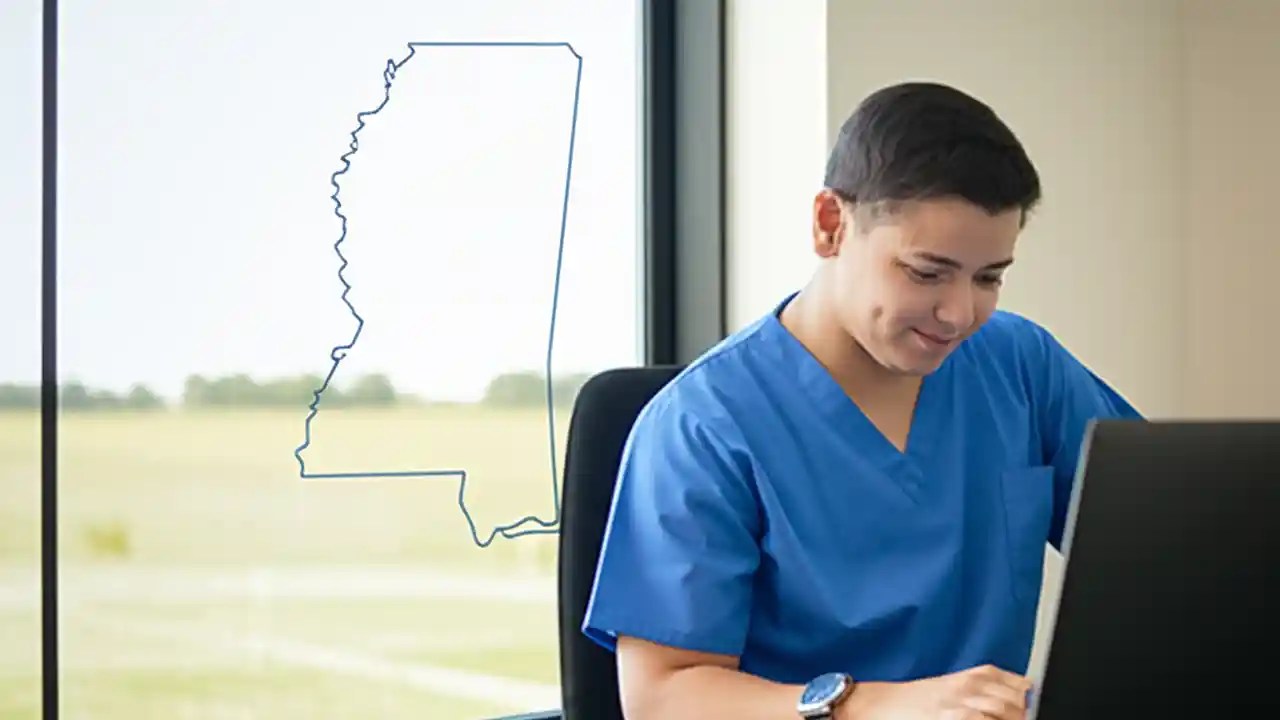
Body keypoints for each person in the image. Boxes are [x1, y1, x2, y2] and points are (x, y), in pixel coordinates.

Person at [581, 81, 1144, 720]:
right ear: (831, 226)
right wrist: (867, 708)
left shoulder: (1022, 366)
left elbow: (1165, 536)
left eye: (989, 278)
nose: (959, 314)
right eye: (926, 273)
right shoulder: (701, 427)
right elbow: (663, 695)